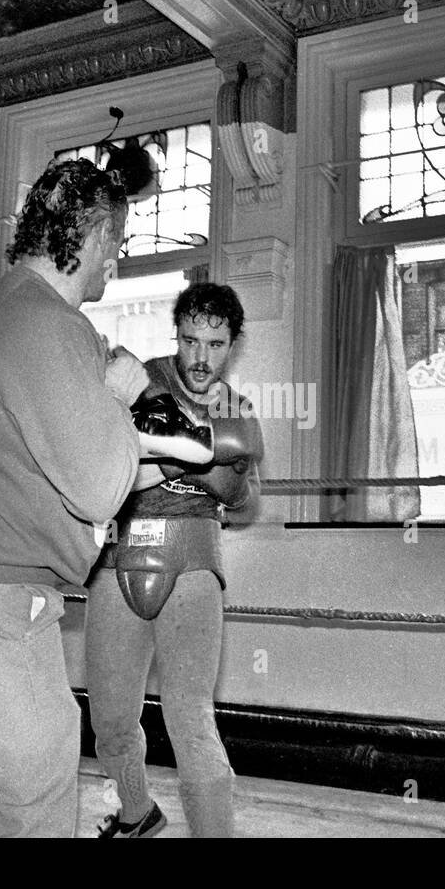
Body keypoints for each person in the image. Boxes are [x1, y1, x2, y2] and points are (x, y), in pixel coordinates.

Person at [0, 157, 152, 838]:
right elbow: (100, 486)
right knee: (36, 796)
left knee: (0, 791)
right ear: (93, 233)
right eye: (119, 243)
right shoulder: (50, 323)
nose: (118, 261)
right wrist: (120, 397)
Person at [86, 282, 264, 838]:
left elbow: (245, 497)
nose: (200, 358)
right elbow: (98, 452)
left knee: (190, 718)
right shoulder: (140, 378)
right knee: (110, 719)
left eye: (214, 344)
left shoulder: (239, 408)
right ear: (177, 335)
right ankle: (138, 812)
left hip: (193, 561)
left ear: (232, 344)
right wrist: (203, 456)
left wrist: (167, 452)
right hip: (119, 554)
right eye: (189, 341)